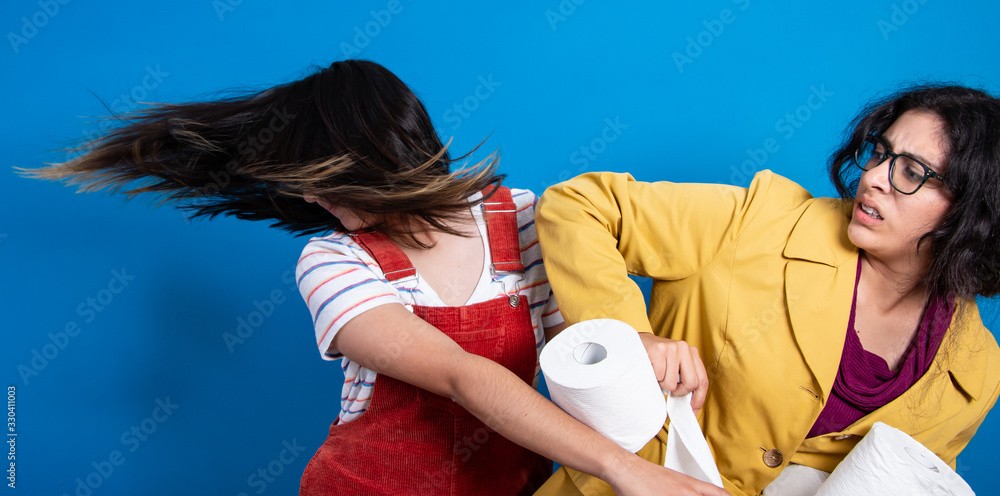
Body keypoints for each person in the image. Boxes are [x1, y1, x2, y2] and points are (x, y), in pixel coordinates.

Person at [20, 60, 728, 496]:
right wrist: (625, 471)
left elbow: (587, 337)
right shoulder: (334, 261)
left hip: (513, 484)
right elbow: (461, 376)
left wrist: (641, 341)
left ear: (380, 162)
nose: (317, 206)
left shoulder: (530, 221)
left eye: (327, 186)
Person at [533, 84, 1000, 496]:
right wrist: (630, 336)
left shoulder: (976, 373)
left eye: (913, 173)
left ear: (975, 212)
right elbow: (578, 206)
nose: (874, 178)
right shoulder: (761, 222)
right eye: (880, 153)